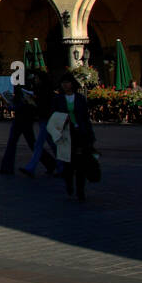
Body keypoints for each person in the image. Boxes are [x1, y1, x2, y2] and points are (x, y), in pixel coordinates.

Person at [51, 73, 96, 202]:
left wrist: (90, 135)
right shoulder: (58, 99)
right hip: (65, 134)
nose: (65, 85)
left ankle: (80, 190)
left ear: (73, 84)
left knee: (80, 163)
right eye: (63, 83)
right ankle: (69, 183)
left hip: (79, 134)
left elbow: (85, 118)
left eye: (67, 82)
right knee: (67, 163)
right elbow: (54, 115)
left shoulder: (80, 98)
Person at [0, 79, 36, 175]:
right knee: (33, 144)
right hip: (26, 120)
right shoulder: (26, 89)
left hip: (20, 120)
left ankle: (7, 167)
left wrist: (9, 104)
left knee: (12, 143)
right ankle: (50, 163)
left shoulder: (22, 91)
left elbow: (17, 106)